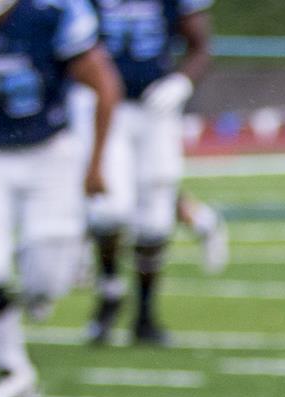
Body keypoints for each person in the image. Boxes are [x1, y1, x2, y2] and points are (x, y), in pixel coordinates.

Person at [0, 0, 118, 397]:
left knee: (45, 281)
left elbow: (105, 85)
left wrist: (95, 163)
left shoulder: (52, 13)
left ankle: (46, 268)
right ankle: (13, 367)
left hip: (49, 151)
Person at [82, 0, 211, 346]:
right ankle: (110, 287)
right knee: (110, 209)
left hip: (156, 108)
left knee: (155, 217)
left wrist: (182, 81)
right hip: (105, 106)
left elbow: (200, 42)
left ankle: (145, 314)